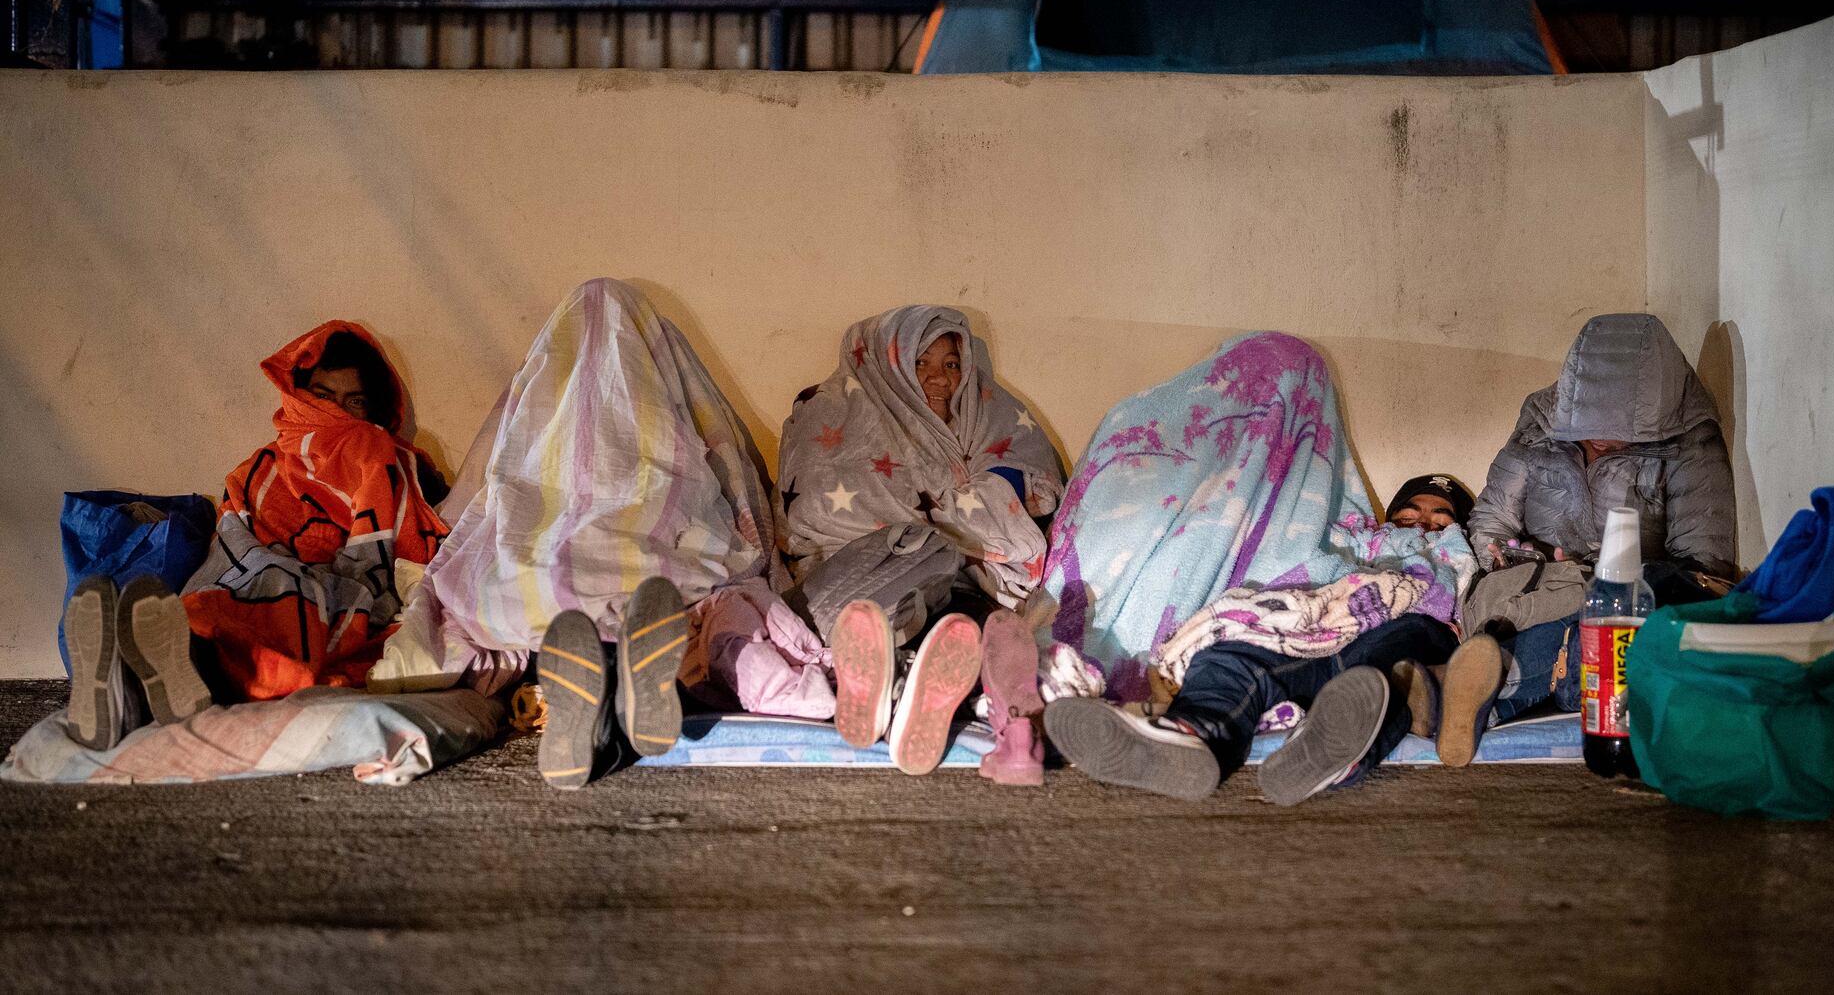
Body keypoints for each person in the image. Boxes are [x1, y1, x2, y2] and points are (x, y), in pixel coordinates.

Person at [370, 279, 817, 790]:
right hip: (652, 567)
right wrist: (759, 549)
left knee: (522, 589)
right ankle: (625, 688)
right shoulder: (664, 381)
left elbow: (477, 491)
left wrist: (442, 553)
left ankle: (594, 699)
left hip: (539, 588)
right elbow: (735, 476)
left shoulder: (539, 387)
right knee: (676, 594)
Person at [1038, 329, 1480, 801]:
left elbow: (1452, 586)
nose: (1421, 526)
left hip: (1408, 622)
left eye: (1440, 519)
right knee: (1230, 653)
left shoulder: (1458, 553)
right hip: (1325, 624)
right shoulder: (1360, 535)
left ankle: (1332, 742)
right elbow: (1310, 555)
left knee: (1379, 671)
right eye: (1408, 515)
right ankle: (1194, 733)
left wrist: (1436, 554)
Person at [60, 323, 451, 751]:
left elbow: (413, 548)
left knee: (280, 603)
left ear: (373, 407)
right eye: (323, 396)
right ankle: (147, 677)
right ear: (299, 394)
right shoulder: (261, 464)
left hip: (331, 586)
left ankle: (137, 688)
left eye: (353, 401)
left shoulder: (384, 452)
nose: (336, 412)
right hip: (253, 568)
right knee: (217, 601)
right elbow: (234, 528)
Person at [1433, 312, 1739, 765]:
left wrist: (1602, 580)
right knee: (1537, 623)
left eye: (1621, 434)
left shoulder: (1689, 441)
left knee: (1591, 636)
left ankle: (1456, 692)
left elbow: (1701, 563)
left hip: (1625, 599)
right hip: (1539, 585)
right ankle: (1470, 688)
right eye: (1591, 427)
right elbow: (1492, 518)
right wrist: (1504, 560)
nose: (1603, 440)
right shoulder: (1539, 426)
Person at [777, 305, 1065, 780]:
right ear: (886, 367)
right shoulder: (829, 409)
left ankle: (912, 696)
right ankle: (1012, 736)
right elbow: (816, 506)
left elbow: (1028, 485)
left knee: (987, 625)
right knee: (924, 578)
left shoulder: (984, 413)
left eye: (951, 365)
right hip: (865, 576)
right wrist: (935, 521)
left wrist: (939, 525)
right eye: (921, 364)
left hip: (963, 578)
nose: (939, 380)